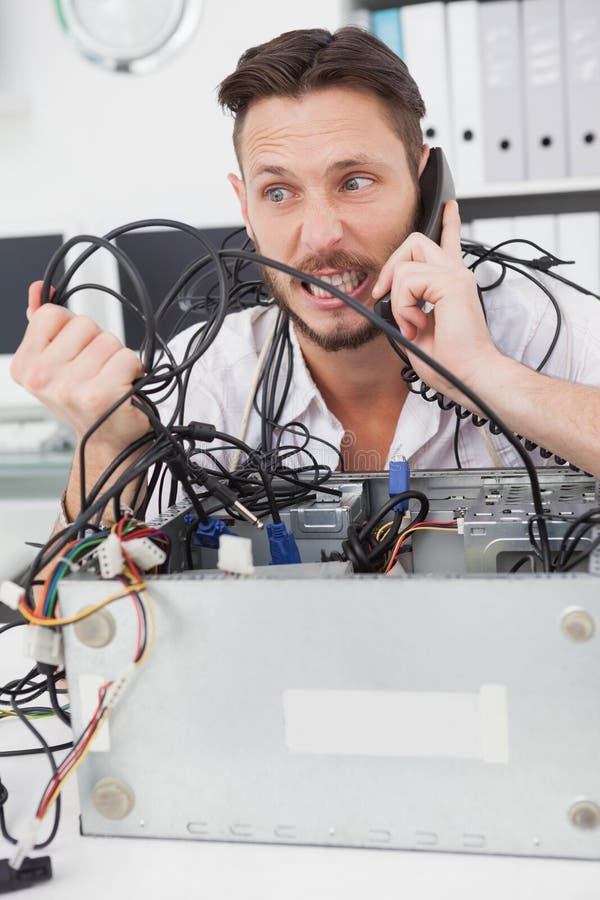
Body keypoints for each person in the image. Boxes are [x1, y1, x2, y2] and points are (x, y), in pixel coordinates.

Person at [10, 27, 600, 528]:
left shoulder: (552, 331)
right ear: (245, 208)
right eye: (279, 192)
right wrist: (111, 448)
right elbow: (74, 634)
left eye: (355, 181)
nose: (320, 236)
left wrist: (486, 375)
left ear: (425, 184)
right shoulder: (209, 376)